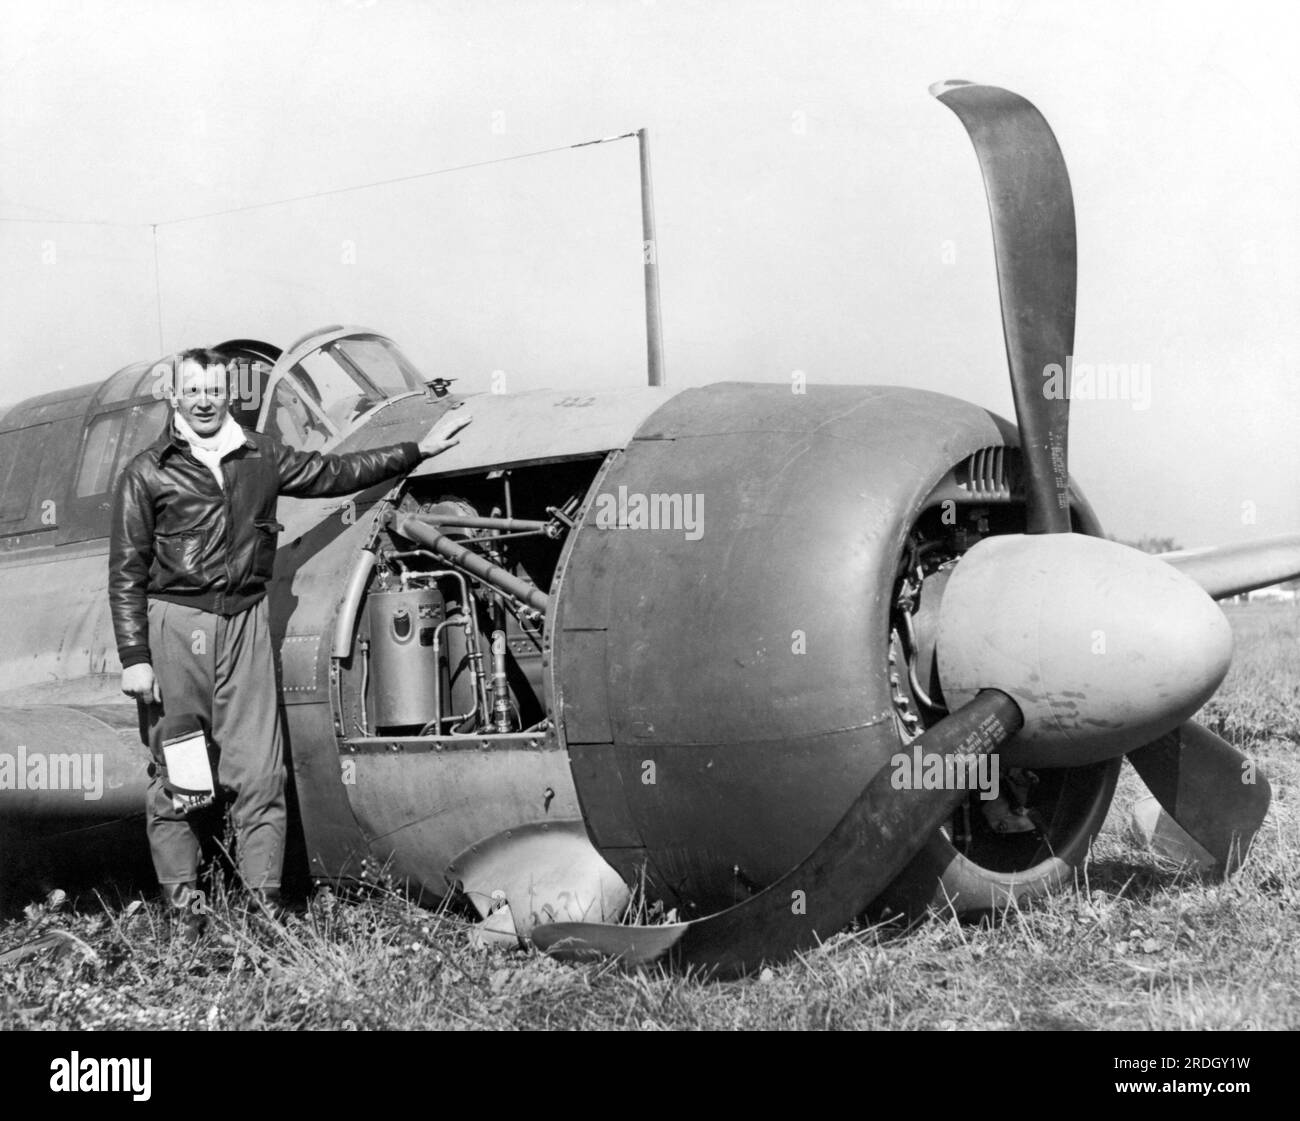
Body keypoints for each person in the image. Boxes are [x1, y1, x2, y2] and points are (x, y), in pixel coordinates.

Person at [109, 347, 469, 935]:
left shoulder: (261, 455)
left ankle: (263, 907)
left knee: (260, 771)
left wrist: (416, 450)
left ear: (230, 394)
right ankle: (184, 912)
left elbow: (333, 474)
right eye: (192, 390)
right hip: (176, 624)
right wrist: (135, 658)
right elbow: (126, 570)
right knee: (181, 773)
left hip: (246, 622)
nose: (203, 400)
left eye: (214, 390)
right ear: (175, 397)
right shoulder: (147, 471)